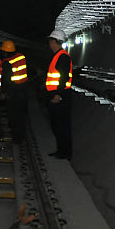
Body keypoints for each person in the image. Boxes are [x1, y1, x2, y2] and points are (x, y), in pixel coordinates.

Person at [46, 28, 74, 159]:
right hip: (56, 94)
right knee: (56, 124)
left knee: (62, 125)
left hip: (61, 96)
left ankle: (65, 152)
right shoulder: (58, 56)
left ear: (55, 41)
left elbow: (63, 78)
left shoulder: (62, 57)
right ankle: (61, 150)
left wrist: (58, 95)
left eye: (51, 41)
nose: (49, 43)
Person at [0, 39, 29, 142]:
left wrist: (4, 93)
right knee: (21, 115)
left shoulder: (7, 62)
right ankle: (21, 136)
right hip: (23, 90)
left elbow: (6, 80)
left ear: (5, 51)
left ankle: (16, 138)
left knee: (13, 116)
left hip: (13, 93)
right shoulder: (21, 57)